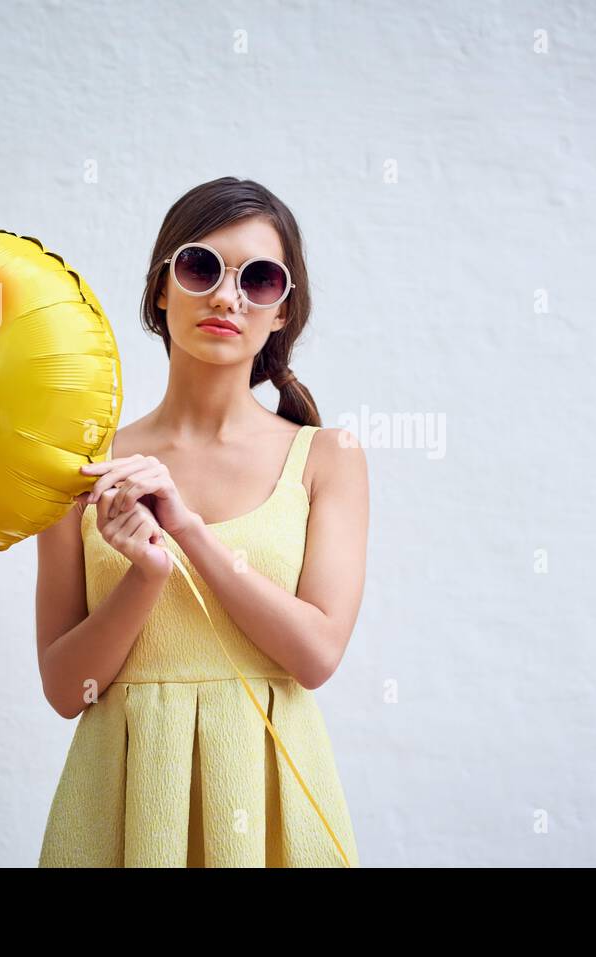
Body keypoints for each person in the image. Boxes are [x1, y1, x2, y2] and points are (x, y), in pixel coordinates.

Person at [35, 177, 366, 867]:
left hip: (270, 798)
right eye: (200, 266)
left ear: (282, 312)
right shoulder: (82, 467)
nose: (226, 296)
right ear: (161, 289)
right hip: (122, 805)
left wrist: (186, 531)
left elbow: (317, 654)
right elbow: (68, 690)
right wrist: (146, 576)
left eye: (260, 279)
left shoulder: (327, 457)